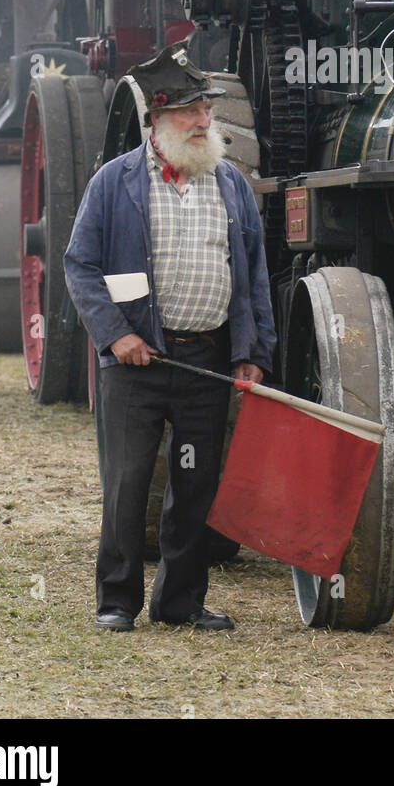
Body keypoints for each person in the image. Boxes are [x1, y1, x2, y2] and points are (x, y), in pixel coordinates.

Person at [64, 42, 276, 633]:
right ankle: (116, 601)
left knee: (194, 486)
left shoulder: (230, 184)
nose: (205, 121)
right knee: (129, 486)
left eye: (207, 109)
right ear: (157, 120)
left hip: (205, 362)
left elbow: (253, 274)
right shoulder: (114, 182)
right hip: (136, 364)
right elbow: (79, 265)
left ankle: (180, 602)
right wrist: (115, 338)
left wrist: (251, 354)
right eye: (190, 111)